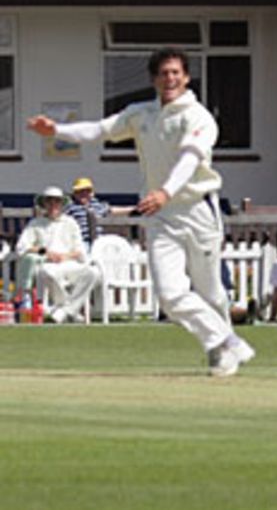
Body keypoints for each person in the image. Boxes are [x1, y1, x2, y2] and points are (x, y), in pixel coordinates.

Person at [25, 47, 255, 376]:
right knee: (169, 295)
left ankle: (220, 348)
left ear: (187, 77)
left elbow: (190, 159)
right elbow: (100, 129)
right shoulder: (141, 113)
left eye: (176, 72)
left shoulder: (199, 117)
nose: (170, 79)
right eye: (163, 73)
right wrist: (57, 131)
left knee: (210, 291)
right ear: (153, 79)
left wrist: (166, 191)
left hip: (197, 210)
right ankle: (227, 341)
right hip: (160, 214)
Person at [15, 186, 101, 323]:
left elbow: (79, 249)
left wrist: (66, 256)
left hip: (69, 263)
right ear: (44, 204)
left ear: (62, 204)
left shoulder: (71, 223)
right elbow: (22, 247)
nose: (53, 205)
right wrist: (46, 253)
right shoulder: (35, 223)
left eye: (56, 201)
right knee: (46, 272)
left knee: (93, 272)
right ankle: (69, 311)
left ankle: (64, 311)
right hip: (48, 264)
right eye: (49, 201)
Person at [63, 177, 110, 247]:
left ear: (92, 193)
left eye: (87, 191)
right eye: (80, 191)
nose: (84, 194)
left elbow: (111, 210)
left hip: (98, 241)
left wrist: (131, 209)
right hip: (80, 241)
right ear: (74, 194)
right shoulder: (72, 206)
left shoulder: (97, 204)